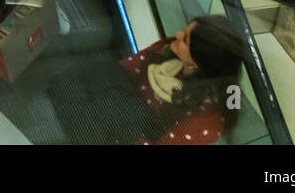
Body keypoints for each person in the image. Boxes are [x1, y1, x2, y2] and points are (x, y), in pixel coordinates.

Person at [50, 15, 244, 145]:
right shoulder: (168, 49)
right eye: (184, 30)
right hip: (104, 107)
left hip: (119, 131)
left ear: (201, 60)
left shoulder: (204, 119)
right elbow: (121, 69)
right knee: (69, 81)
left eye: (185, 39)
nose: (177, 34)